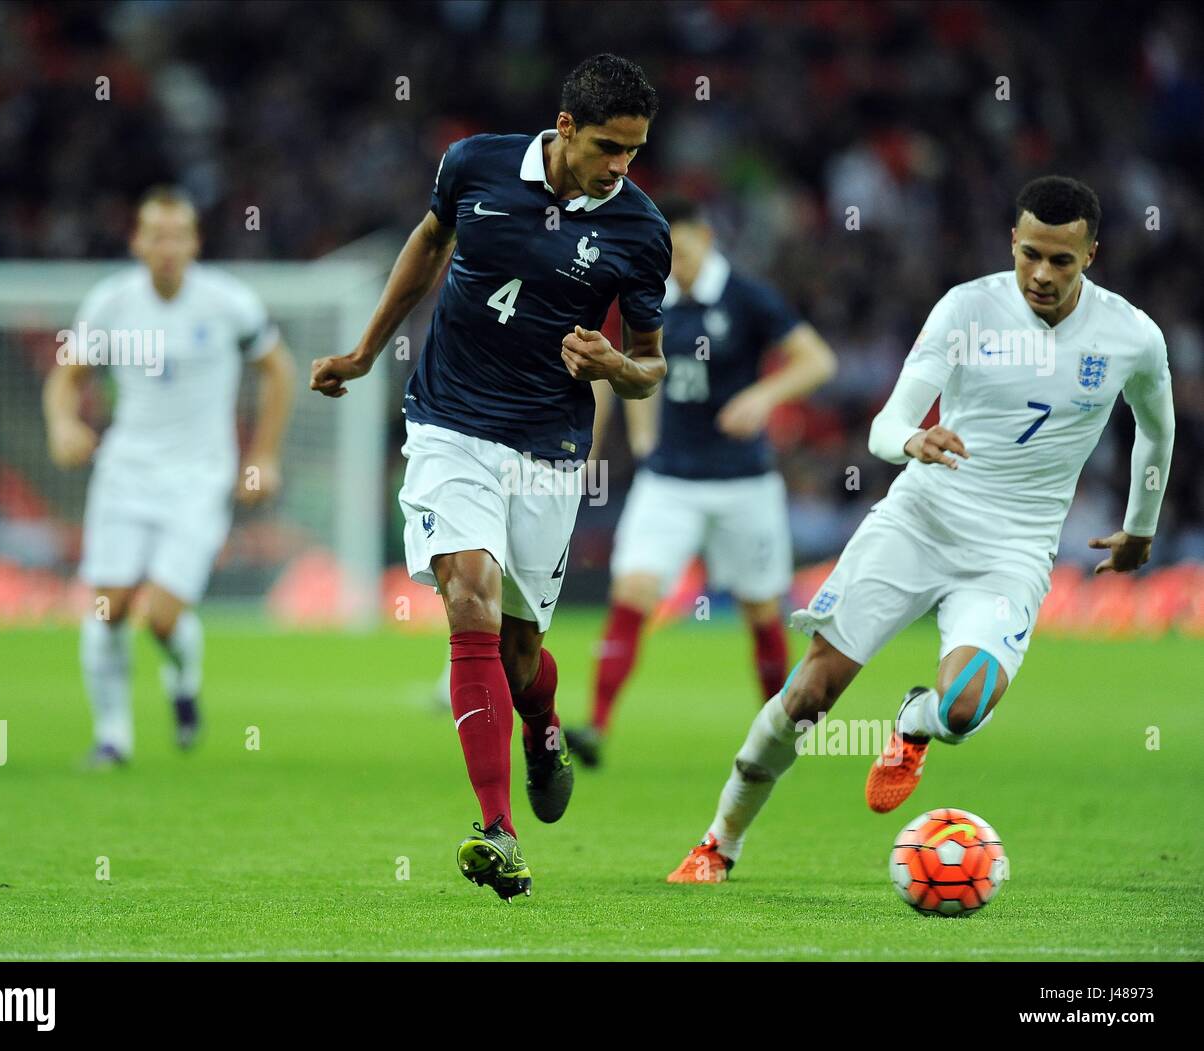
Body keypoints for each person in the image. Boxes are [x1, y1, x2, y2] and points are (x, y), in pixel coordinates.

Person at [667, 175, 1175, 883]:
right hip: (921, 519)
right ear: (1013, 242)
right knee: (811, 695)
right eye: (1031, 254)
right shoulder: (968, 309)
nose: (1042, 274)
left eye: (1062, 260)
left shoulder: (1132, 336)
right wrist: (913, 441)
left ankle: (915, 722)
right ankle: (719, 841)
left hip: (1013, 550)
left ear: (1092, 253)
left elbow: (1158, 427)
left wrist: (1140, 528)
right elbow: (887, 423)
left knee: (963, 709)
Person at [310, 54, 671, 900]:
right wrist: (366, 351)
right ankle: (496, 829)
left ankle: (542, 722)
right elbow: (430, 242)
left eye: (636, 153)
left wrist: (614, 361)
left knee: (519, 659)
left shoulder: (640, 230)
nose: (622, 167)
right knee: (466, 592)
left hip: (548, 450)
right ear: (568, 127)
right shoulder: (473, 165)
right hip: (448, 424)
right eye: (610, 148)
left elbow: (653, 366)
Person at [564, 197, 837, 769]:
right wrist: (635, 439)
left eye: (682, 252)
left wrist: (762, 397)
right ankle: (596, 723)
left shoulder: (746, 297)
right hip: (670, 482)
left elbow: (817, 361)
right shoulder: (648, 297)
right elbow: (622, 372)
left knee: (762, 610)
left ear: (707, 239)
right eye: (666, 254)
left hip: (745, 483)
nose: (675, 265)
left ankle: (780, 732)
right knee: (633, 592)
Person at [43, 186, 295, 765]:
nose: (166, 246)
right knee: (108, 608)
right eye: (155, 234)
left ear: (193, 242)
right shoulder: (111, 303)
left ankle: (183, 683)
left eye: (177, 235)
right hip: (125, 472)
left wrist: (263, 455)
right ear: (137, 240)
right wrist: (62, 424)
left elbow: (277, 370)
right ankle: (113, 738)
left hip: (200, 478)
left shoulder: (227, 302)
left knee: (159, 615)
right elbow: (66, 376)